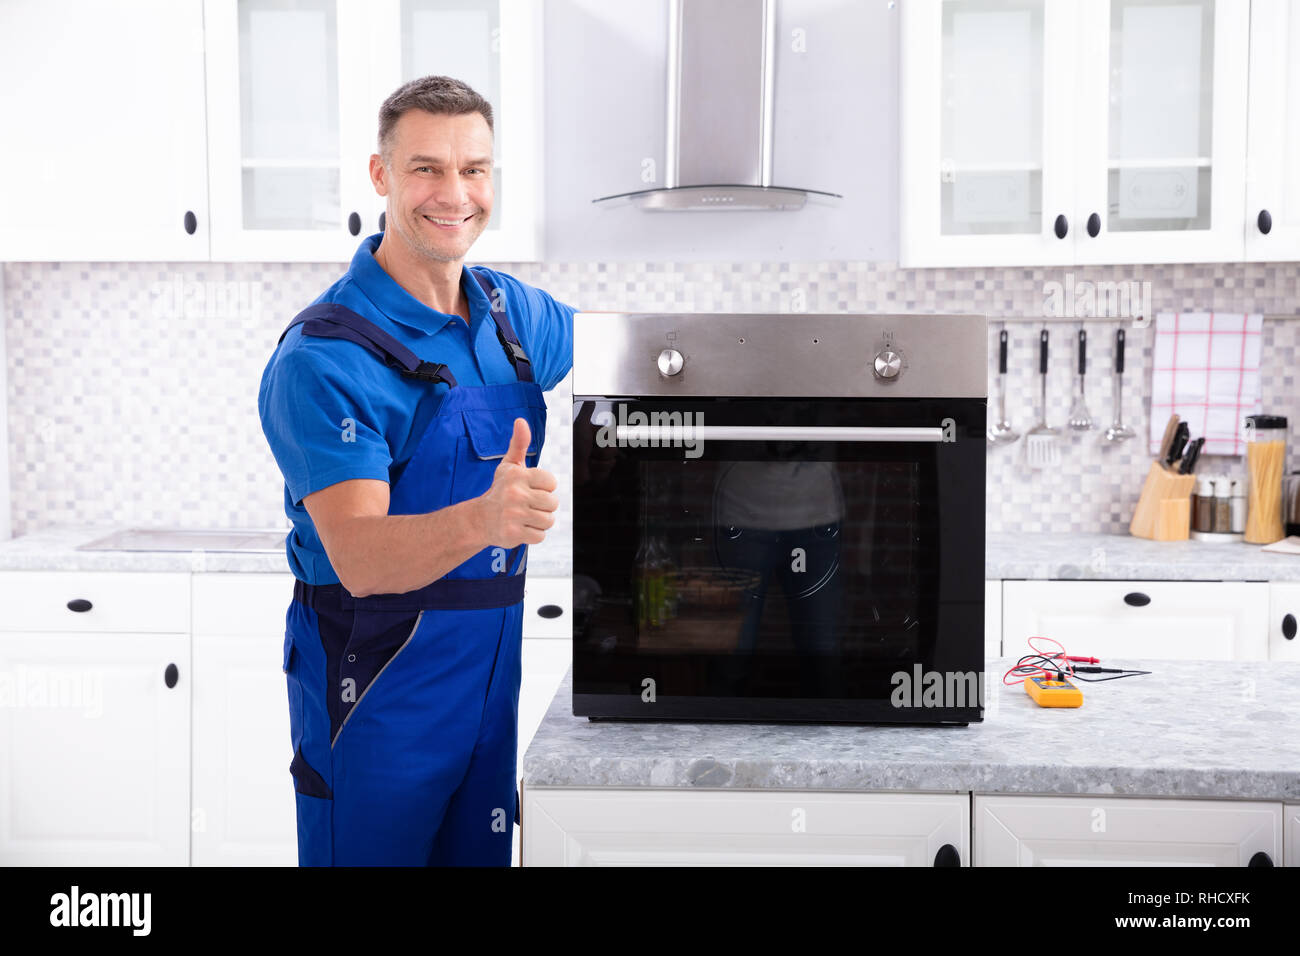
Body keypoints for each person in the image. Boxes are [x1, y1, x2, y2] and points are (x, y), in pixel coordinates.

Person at [257, 75, 574, 866]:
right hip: (376, 706)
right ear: (381, 176)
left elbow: (636, 352)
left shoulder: (509, 316)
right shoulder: (326, 358)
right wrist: (485, 519)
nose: (454, 193)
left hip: (489, 700)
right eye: (427, 168)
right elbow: (360, 558)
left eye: (475, 169)